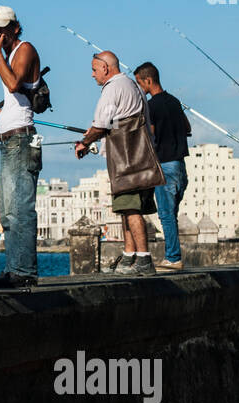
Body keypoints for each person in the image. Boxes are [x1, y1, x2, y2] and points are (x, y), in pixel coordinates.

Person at [74, 51, 160, 276]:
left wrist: (84, 142)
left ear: (106, 68)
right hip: (143, 158)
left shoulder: (112, 88)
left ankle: (144, 260)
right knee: (127, 209)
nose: (92, 75)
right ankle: (130, 256)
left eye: (94, 69)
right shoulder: (134, 87)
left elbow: (102, 124)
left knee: (131, 210)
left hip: (126, 160)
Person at [0, 6, 42, 289]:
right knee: (7, 211)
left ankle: (25, 271)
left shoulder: (25, 49)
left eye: (2, 29)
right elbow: (12, 101)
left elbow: (15, 83)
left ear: (15, 28)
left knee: (20, 209)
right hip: (9, 140)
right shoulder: (8, 56)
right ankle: (13, 268)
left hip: (22, 140)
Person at [133, 62, 191, 271]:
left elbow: (150, 134)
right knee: (171, 213)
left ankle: (173, 258)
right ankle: (172, 255)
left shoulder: (151, 106)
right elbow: (187, 127)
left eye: (140, 83)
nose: (140, 88)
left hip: (164, 166)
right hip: (180, 166)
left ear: (148, 80)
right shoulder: (175, 101)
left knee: (166, 214)